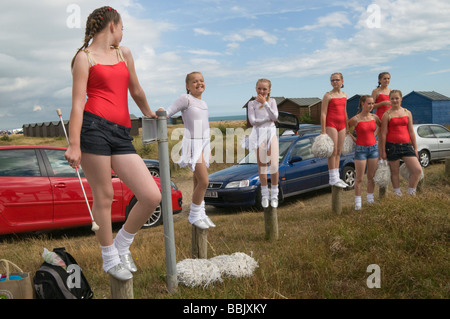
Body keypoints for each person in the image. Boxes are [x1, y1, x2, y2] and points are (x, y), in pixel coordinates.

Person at [65, 6, 161, 281]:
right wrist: (74, 144)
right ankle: (109, 258)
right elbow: (77, 105)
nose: (123, 32)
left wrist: (149, 112)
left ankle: (122, 244)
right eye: (122, 27)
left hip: (121, 133)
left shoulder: (124, 53)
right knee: (104, 196)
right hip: (93, 130)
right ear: (112, 26)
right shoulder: (83, 59)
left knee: (151, 195)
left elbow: (136, 90)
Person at [158, 72, 215, 230]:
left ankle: (201, 213)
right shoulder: (186, 99)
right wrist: (162, 111)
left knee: (197, 181)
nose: (199, 83)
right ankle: (194, 215)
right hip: (192, 144)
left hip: (203, 143)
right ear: (187, 86)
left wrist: (207, 147)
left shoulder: (203, 103)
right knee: (204, 181)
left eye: (201, 81)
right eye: (195, 81)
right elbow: (168, 112)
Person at [379, 90, 422, 196]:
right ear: (389, 99)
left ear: (401, 98)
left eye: (397, 98)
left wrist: (415, 149)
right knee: (395, 172)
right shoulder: (386, 114)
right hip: (392, 147)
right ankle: (397, 194)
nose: (394, 100)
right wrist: (383, 151)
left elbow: (411, 131)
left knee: (417, 170)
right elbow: (383, 134)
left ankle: (411, 193)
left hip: (407, 146)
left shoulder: (407, 112)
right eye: (392, 98)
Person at [246, 79, 279, 208]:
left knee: (274, 165)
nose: (262, 91)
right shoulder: (251, 104)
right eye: (259, 88)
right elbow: (253, 121)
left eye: (264, 89)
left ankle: (274, 194)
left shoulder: (272, 101)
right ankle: (265, 195)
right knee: (262, 166)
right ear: (256, 89)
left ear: (269, 90)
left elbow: (275, 117)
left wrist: (265, 104)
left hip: (271, 133)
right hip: (258, 135)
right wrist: (267, 118)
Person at [348, 95, 381, 210]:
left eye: (373, 103)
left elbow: (380, 127)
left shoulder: (374, 117)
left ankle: (370, 200)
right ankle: (358, 204)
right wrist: (353, 138)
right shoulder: (355, 119)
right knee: (359, 178)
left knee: (371, 177)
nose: (371, 106)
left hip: (373, 150)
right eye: (369, 103)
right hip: (360, 150)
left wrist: (375, 135)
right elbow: (346, 128)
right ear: (362, 104)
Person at [320, 72, 349, 188]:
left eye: (337, 80)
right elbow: (323, 113)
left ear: (342, 81)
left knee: (338, 151)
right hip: (331, 124)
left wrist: (347, 127)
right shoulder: (328, 95)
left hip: (342, 125)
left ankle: (336, 177)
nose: (335, 82)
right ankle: (332, 178)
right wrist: (323, 130)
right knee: (332, 151)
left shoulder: (344, 95)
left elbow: (345, 112)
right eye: (332, 80)